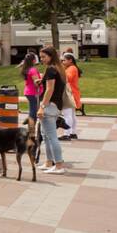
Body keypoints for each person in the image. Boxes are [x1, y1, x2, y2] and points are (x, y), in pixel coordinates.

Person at [37, 46, 67, 174]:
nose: (42, 59)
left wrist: (42, 107)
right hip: (55, 106)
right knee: (46, 135)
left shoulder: (50, 69)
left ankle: (59, 165)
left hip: (49, 106)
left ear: (51, 56)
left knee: (51, 137)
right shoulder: (58, 68)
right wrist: (42, 81)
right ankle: (49, 162)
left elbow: (50, 89)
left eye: (44, 57)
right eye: (41, 57)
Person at [61, 53, 82, 139]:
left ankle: (67, 134)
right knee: (72, 115)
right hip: (72, 93)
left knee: (67, 114)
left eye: (64, 60)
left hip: (70, 94)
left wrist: (60, 70)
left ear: (70, 60)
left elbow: (67, 78)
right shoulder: (71, 68)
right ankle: (72, 133)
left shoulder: (71, 68)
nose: (62, 62)